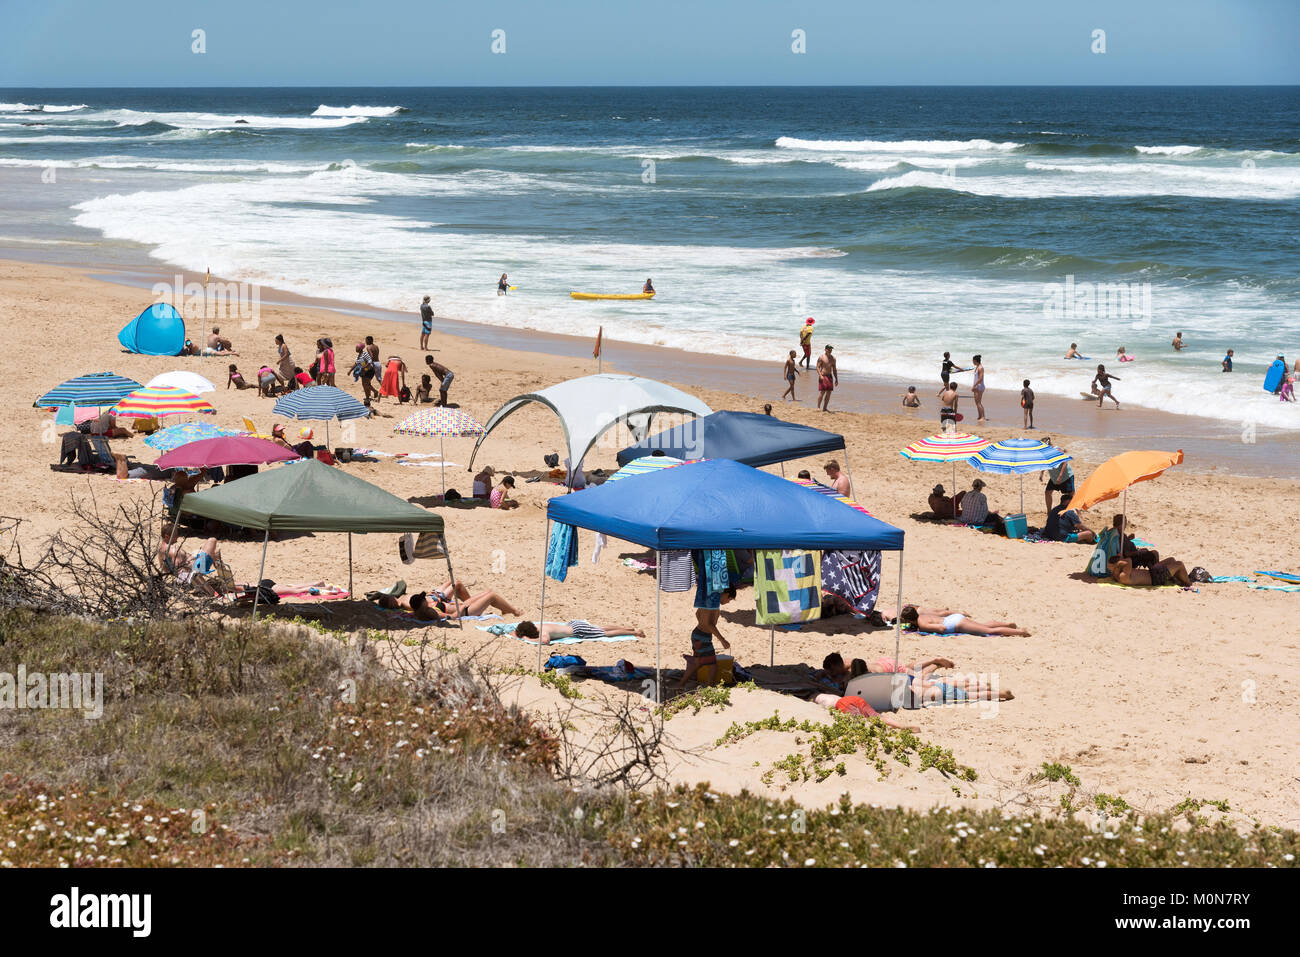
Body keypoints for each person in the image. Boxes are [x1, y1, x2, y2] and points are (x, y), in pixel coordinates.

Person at [680, 587, 735, 687]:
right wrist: (722, 640)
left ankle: (681, 684)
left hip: (697, 634)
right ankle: (709, 689)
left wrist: (702, 624)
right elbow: (709, 624)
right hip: (702, 637)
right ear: (726, 594)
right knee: (713, 666)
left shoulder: (709, 601)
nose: (728, 602)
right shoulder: (713, 605)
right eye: (729, 599)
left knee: (697, 663)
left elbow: (697, 614)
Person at [373, 584, 522, 621]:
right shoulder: (430, 612)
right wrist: (462, 609)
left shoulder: (426, 606)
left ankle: (506, 609)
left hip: (462, 606)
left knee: (488, 592)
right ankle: (514, 611)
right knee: (492, 596)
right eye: (423, 599)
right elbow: (451, 618)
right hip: (466, 611)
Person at [899, 605, 1031, 637]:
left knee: (988, 631)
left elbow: (941, 629)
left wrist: (922, 631)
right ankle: (1008, 625)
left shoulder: (922, 624)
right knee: (983, 625)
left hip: (956, 624)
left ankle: (1020, 632)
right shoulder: (923, 615)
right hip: (954, 618)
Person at [515, 620, 646, 645]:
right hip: (573, 624)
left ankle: (634, 632)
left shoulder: (542, 631)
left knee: (603, 634)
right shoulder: (538, 625)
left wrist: (527, 639)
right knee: (599, 628)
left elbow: (545, 641)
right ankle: (629, 629)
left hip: (577, 630)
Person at [1108, 556, 1193, 588]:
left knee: (1171, 559)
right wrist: (1119, 562)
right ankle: (1188, 582)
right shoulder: (1123, 576)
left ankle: (1176, 578)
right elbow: (1128, 560)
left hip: (1152, 572)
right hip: (1156, 578)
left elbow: (1125, 562)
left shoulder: (1117, 573)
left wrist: (1118, 562)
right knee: (1179, 564)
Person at [1042, 448, 1074, 513]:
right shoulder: (1044, 453)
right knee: (1047, 492)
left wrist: (1060, 475)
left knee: (1070, 494)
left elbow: (1065, 461)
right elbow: (1045, 463)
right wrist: (1041, 473)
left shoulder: (1057, 450)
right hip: (1054, 477)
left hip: (1066, 476)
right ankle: (1049, 511)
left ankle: (1072, 510)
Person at [815, 344, 838, 412]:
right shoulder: (821, 357)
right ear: (825, 349)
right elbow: (817, 367)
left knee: (829, 393)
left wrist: (836, 379)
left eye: (831, 349)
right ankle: (818, 407)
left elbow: (834, 369)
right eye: (828, 349)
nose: (830, 350)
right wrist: (820, 375)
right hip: (823, 376)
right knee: (822, 392)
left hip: (829, 376)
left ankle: (825, 408)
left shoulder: (833, 358)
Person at [970, 354, 986, 422]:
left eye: (973, 361)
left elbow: (980, 379)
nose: (972, 362)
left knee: (978, 402)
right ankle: (979, 416)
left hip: (979, 387)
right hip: (977, 386)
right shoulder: (977, 367)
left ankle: (983, 417)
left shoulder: (980, 368)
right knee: (977, 403)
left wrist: (974, 386)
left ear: (975, 361)